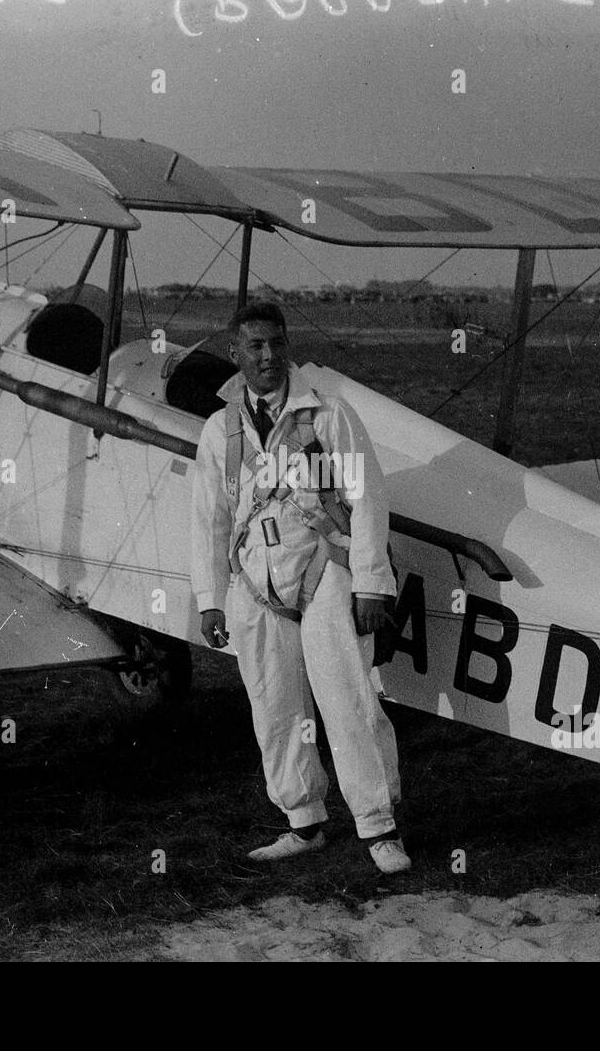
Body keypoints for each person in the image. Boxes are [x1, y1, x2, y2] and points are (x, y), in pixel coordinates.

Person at [189, 301, 410, 874]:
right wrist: (210, 598)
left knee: (348, 700)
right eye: (256, 346)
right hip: (253, 587)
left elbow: (367, 498)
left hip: (325, 576)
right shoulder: (220, 430)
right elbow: (208, 518)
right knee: (274, 705)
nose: (268, 356)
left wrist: (370, 583)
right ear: (235, 353)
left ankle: (379, 827)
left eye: (277, 343)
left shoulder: (330, 414)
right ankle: (303, 820)